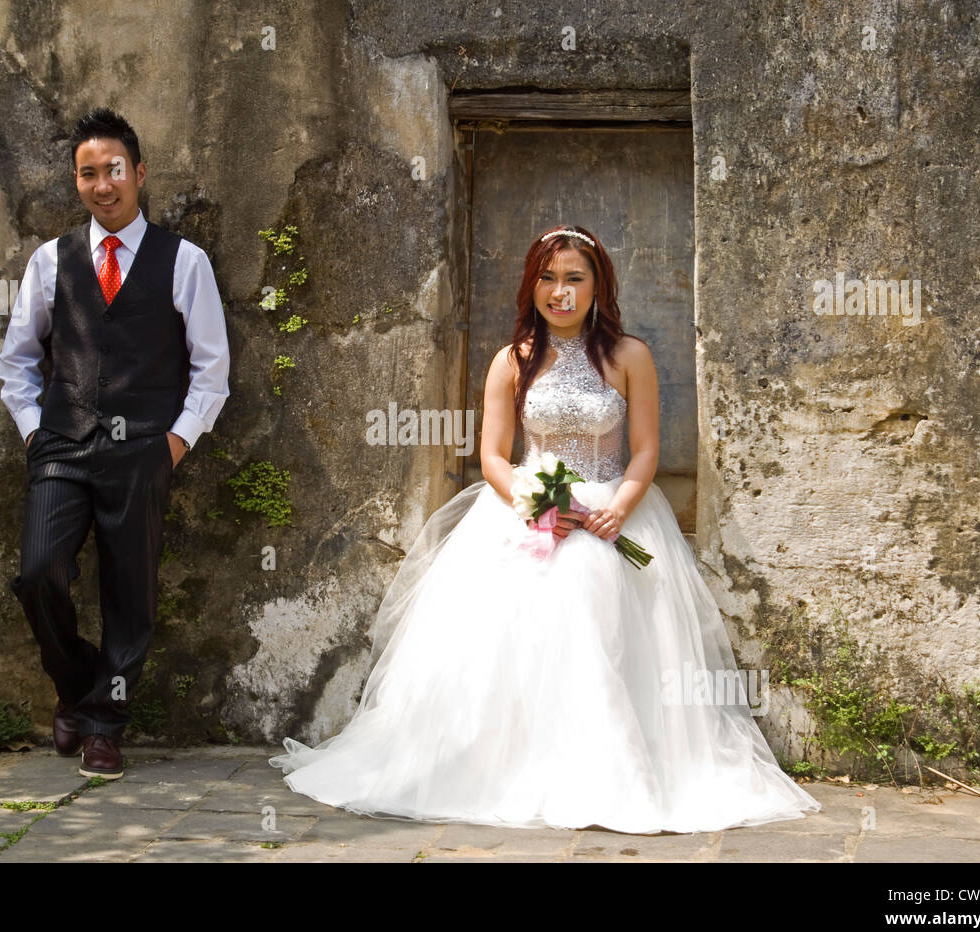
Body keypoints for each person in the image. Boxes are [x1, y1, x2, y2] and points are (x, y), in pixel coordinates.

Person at [269, 224, 820, 832]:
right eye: (548, 277)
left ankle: (609, 770)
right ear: (532, 284)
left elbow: (645, 450)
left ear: (597, 285)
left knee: (594, 585)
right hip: (527, 511)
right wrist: (536, 506)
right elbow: (493, 459)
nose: (561, 291)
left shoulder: (630, 356)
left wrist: (622, 506)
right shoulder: (511, 361)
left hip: (614, 510)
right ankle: (502, 768)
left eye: (574, 278)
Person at [0, 108, 230, 779]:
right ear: (77, 181)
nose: (103, 185)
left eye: (114, 170)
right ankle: (77, 687)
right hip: (62, 446)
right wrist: (35, 430)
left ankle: (104, 724)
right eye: (88, 173)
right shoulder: (51, 261)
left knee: (132, 594)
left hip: (143, 452)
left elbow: (211, 367)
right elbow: (18, 359)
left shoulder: (184, 262)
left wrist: (173, 446)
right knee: (38, 573)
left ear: (139, 173)